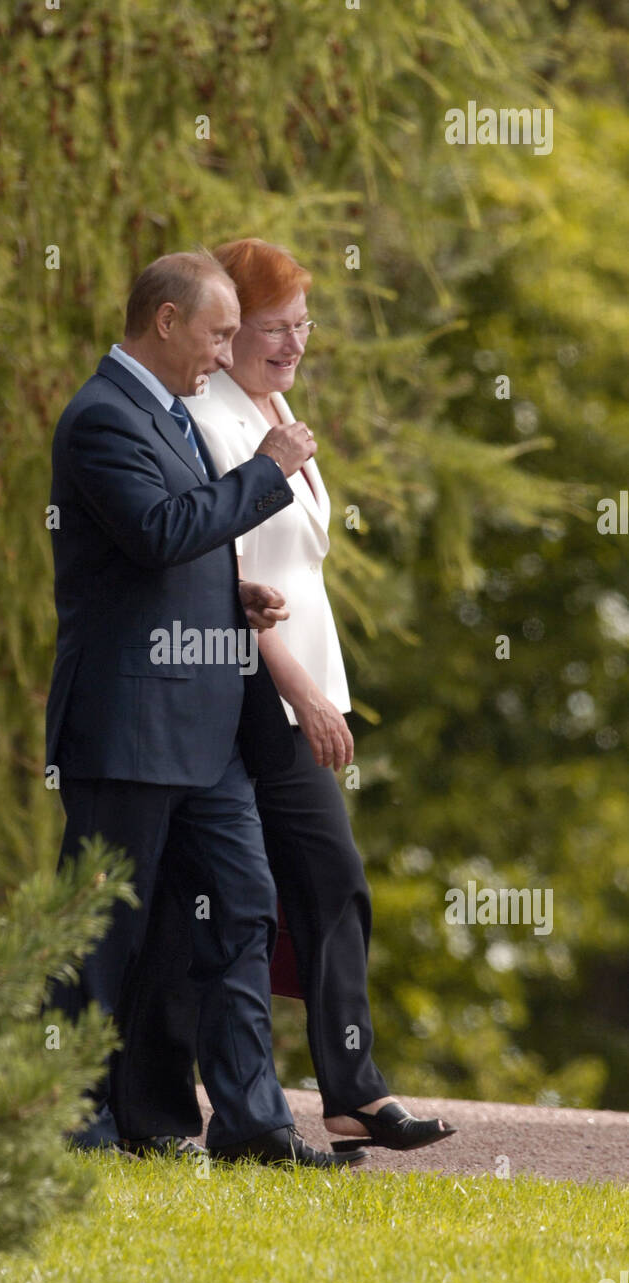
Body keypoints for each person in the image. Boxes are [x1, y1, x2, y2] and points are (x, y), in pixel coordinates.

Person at [125, 239, 457, 1153]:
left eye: (303, 326)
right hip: (256, 687)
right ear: (223, 337)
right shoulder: (212, 420)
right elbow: (221, 568)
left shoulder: (277, 404)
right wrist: (301, 692)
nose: (293, 343)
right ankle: (339, 1088)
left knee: (230, 898)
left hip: (303, 676)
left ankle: (189, 1108)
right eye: (273, 328)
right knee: (316, 881)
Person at [43, 250, 368, 1169]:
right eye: (220, 332)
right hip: (128, 722)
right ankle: (67, 1115)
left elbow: (188, 551)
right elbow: (155, 533)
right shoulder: (101, 416)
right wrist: (267, 468)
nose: (228, 351)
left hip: (206, 723)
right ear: (168, 321)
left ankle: (254, 1124)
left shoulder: (171, 417)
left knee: (242, 910)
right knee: (104, 930)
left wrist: (236, 601)